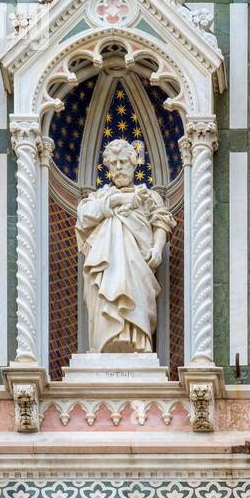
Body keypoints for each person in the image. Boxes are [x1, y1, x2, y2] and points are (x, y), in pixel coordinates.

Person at [75, 139, 175, 354]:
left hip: (136, 263)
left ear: (133, 162)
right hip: (105, 264)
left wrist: (157, 248)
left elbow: (162, 221)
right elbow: (83, 218)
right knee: (104, 299)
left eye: (122, 161)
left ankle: (138, 341)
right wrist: (116, 200)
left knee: (135, 294)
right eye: (113, 163)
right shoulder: (100, 196)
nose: (118, 167)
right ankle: (103, 341)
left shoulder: (149, 196)